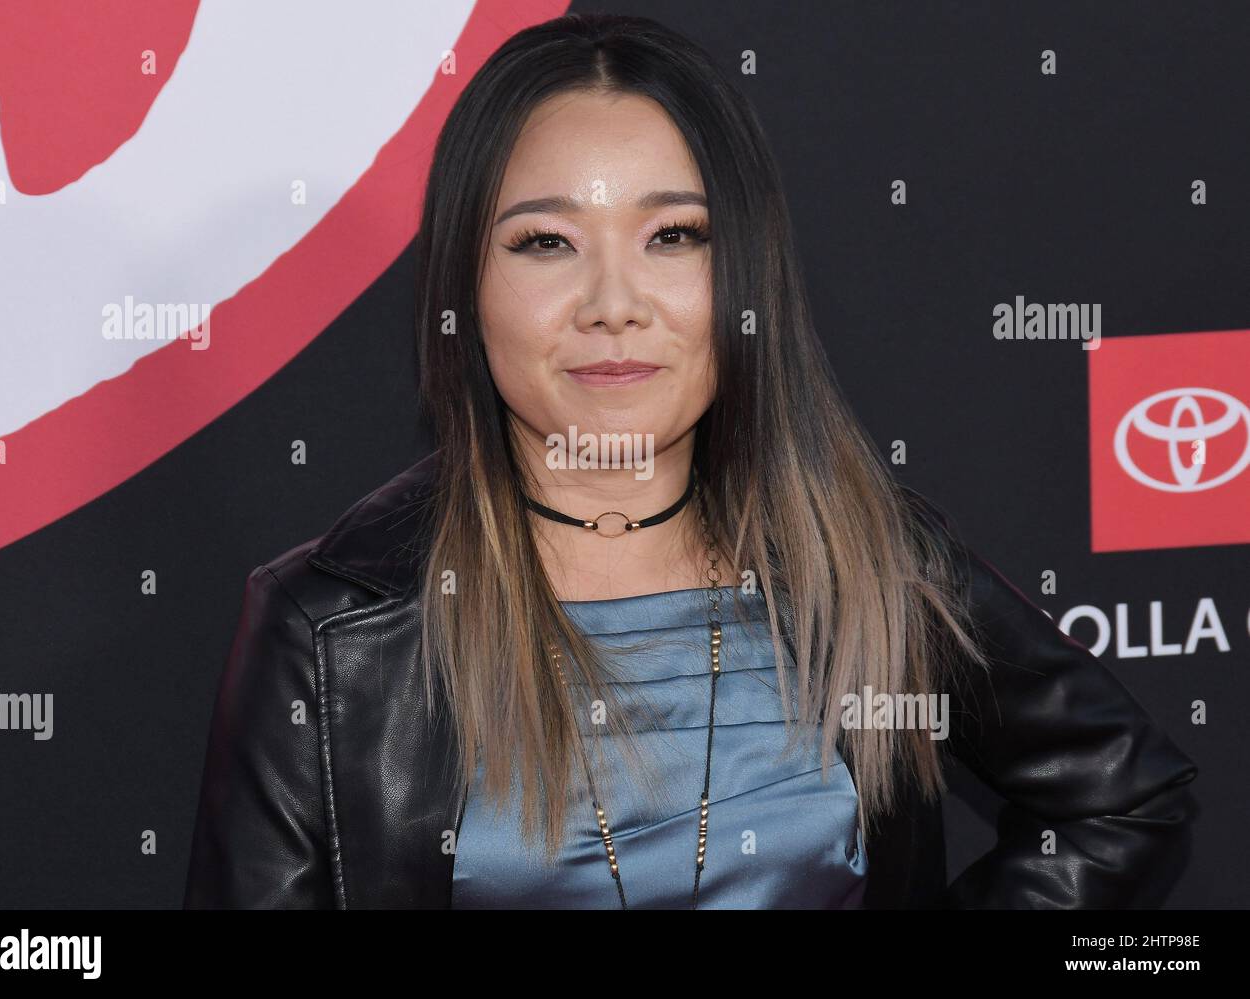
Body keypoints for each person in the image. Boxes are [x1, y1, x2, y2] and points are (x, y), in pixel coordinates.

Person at [183, 12, 1197, 909]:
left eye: (673, 235)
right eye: (546, 243)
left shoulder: (862, 560)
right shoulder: (332, 625)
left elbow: (1124, 797)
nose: (613, 303)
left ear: (743, 272)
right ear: (464, 287)